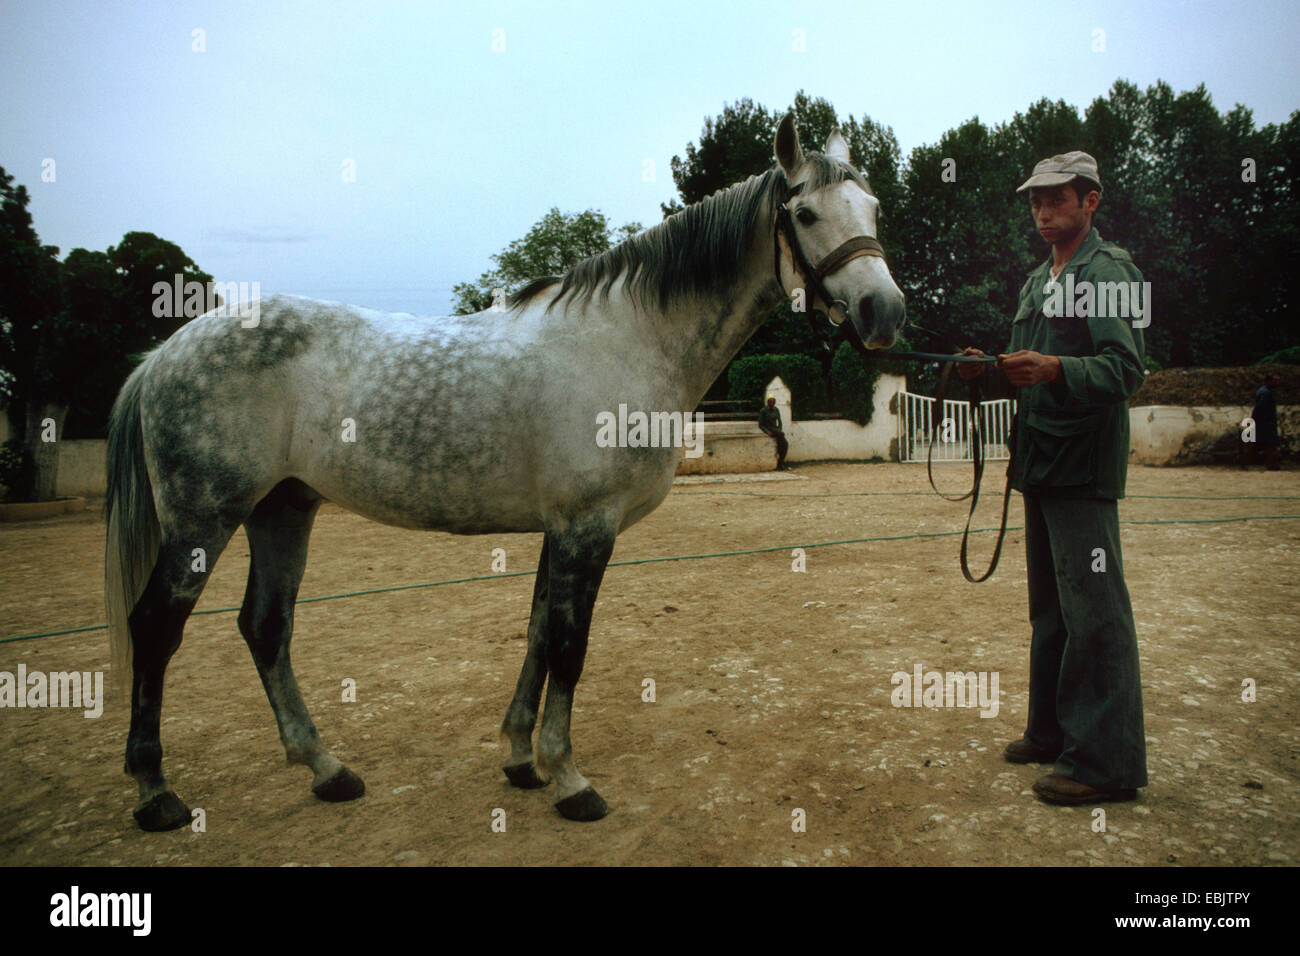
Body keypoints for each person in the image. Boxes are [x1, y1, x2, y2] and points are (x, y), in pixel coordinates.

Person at [959, 151, 1148, 805]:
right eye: (1035, 201)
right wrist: (985, 371)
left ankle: (1104, 764)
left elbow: (1124, 371)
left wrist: (1057, 369)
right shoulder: (1036, 280)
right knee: (1053, 615)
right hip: (1039, 464)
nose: (1043, 211)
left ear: (1090, 200)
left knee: (1095, 614)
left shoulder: (1108, 270)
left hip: (1082, 471)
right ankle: (1051, 734)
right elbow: (1027, 370)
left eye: (1057, 199)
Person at [1248, 373, 1281, 470]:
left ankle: (1249, 461)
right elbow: (1259, 408)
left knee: (1260, 444)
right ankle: (1271, 465)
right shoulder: (1265, 393)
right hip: (1266, 423)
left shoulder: (1265, 391)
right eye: (1274, 380)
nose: (1276, 383)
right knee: (1270, 444)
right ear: (1268, 381)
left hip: (1265, 422)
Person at [758, 396, 789, 470]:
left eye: (773, 402)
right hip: (769, 428)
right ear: (767, 402)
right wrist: (767, 431)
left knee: (784, 444)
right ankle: (781, 463)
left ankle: (781, 461)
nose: (772, 403)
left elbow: (779, 421)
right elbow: (761, 424)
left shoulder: (776, 410)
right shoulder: (763, 410)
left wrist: (780, 429)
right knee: (782, 438)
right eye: (770, 402)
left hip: (776, 430)